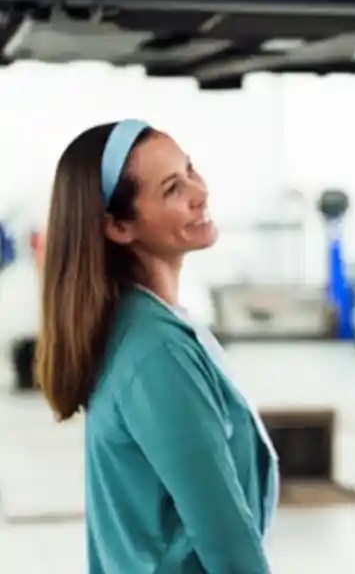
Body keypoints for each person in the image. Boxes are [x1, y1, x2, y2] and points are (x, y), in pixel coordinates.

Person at [34, 119, 279, 573]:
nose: (199, 192)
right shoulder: (155, 352)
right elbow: (225, 538)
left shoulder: (139, 325)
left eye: (190, 170)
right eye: (172, 189)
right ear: (119, 226)